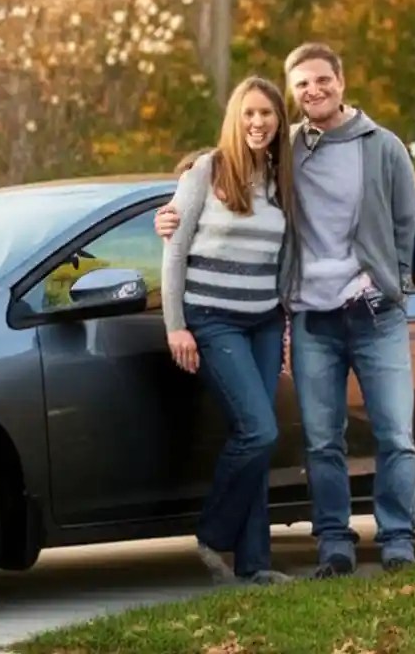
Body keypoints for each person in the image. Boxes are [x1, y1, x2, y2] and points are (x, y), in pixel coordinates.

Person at [156, 42, 415, 579]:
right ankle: (333, 546)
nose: (314, 90)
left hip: (370, 314)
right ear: (292, 95)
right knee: (319, 441)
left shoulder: (379, 146)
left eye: (323, 80)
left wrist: (395, 284)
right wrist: (166, 216)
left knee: (396, 435)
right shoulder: (280, 151)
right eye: (302, 84)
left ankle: (396, 541)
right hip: (306, 318)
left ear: (341, 82)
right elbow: (204, 196)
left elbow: (406, 221)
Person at [160, 76, 294, 586]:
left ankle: (256, 565)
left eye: (267, 114)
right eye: (249, 114)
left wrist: (283, 324)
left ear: (279, 121)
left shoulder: (282, 179)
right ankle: (214, 537)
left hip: (263, 321)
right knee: (259, 430)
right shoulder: (205, 171)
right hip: (212, 320)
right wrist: (177, 326)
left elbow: (281, 259)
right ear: (235, 119)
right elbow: (174, 251)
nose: (258, 123)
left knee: (253, 439)